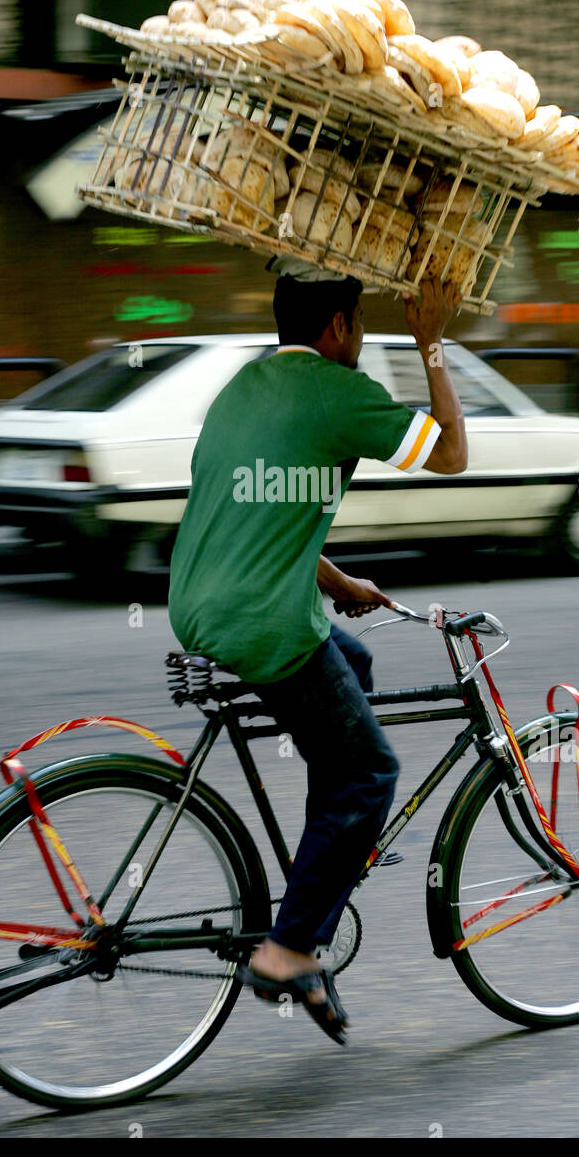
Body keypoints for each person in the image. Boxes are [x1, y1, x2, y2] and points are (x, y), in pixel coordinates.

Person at [167, 264, 467, 1042]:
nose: (362, 340)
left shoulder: (244, 383)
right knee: (372, 772)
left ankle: (327, 854)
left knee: (355, 670)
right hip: (266, 622)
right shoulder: (339, 393)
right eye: (362, 325)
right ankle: (290, 949)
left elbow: (260, 501)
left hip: (203, 600)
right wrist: (432, 344)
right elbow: (452, 455)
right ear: (336, 327)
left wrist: (335, 578)